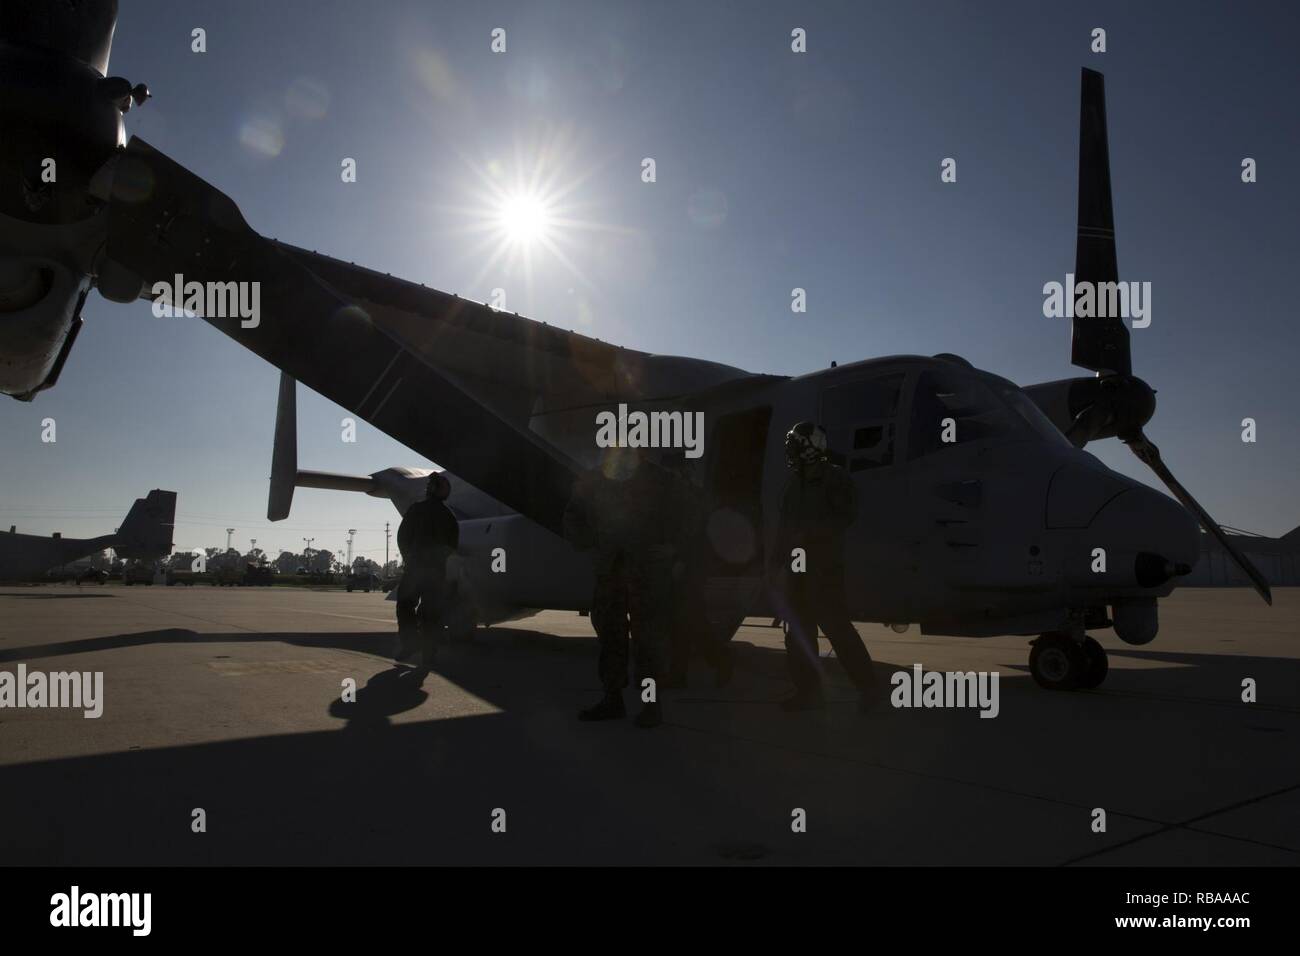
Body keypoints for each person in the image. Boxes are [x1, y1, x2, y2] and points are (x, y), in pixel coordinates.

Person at [564, 447, 687, 729]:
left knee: (648, 640)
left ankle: (650, 705)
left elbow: (687, 515)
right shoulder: (594, 480)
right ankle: (613, 699)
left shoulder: (660, 480)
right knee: (610, 637)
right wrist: (590, 541)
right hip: (611, 572)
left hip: (646, 573)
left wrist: (671, 549)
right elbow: (572, 517)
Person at [769, 422, 880, 712]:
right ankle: (807, 692)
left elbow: (845, 517)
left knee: (839, 632)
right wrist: (776, 566)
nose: (791, 451)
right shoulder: (793, 485)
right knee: (798, 636)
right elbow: (784, 530)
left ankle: (870, 692)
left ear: (811, 447)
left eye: (796, 445)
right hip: (797, 572)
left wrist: (810, 532)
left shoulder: (835, 478)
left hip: (824, 570)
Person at [395, 472, 459, 668]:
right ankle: (429, 653)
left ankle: (410, 643)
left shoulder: (415, 510)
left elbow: (402, 537)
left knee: (405, 606)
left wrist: (409, 557)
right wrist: (439, 560)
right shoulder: (448, 516)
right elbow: (452, 544)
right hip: (436, 572)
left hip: (415, 569)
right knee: (431, 612)